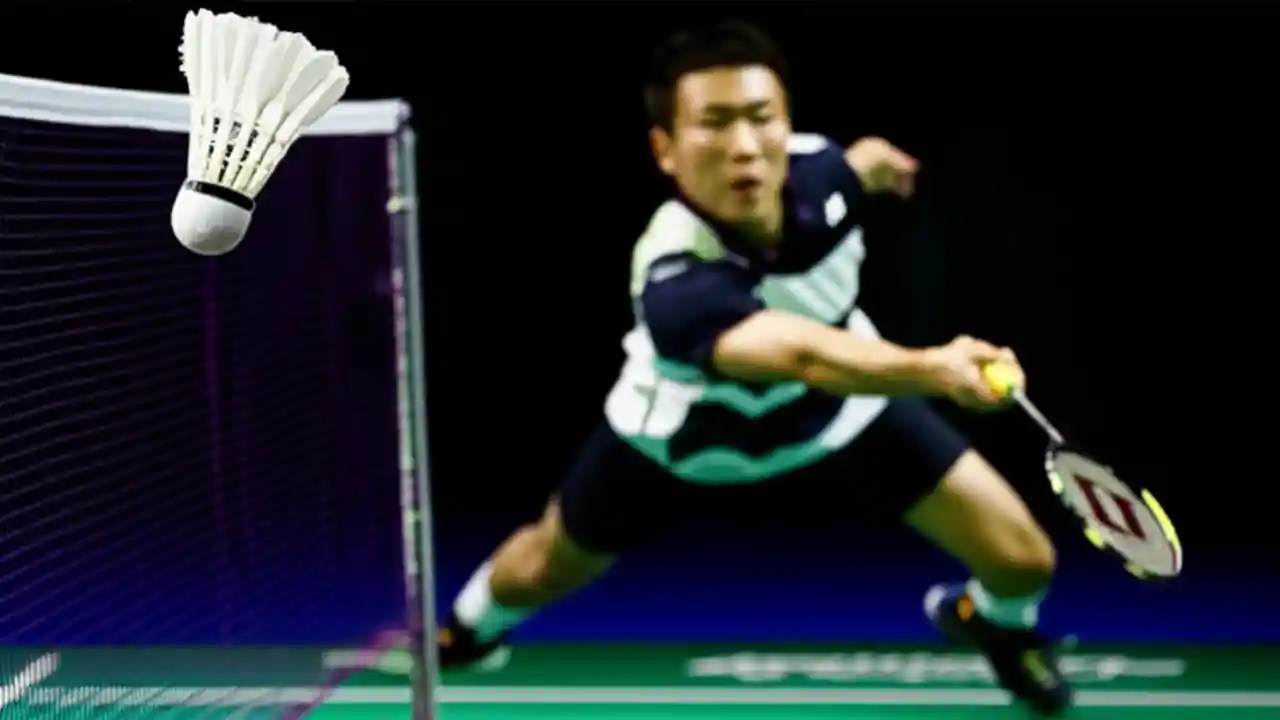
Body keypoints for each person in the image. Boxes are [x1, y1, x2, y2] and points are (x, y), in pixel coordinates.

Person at [437, 18, 1072, 716]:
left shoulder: (823, 174)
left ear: (786, 124)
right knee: (542, 566)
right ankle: (465, 631)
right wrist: (932, 368)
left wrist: (882, 167)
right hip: (682, 443)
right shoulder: (674, 274)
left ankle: (993, 628)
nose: (744, 147)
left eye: (760, 118)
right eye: (714, 124)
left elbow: (855, 167)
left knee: (1024, 562)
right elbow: (799, 354)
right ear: (666, 149)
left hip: (839, 416)